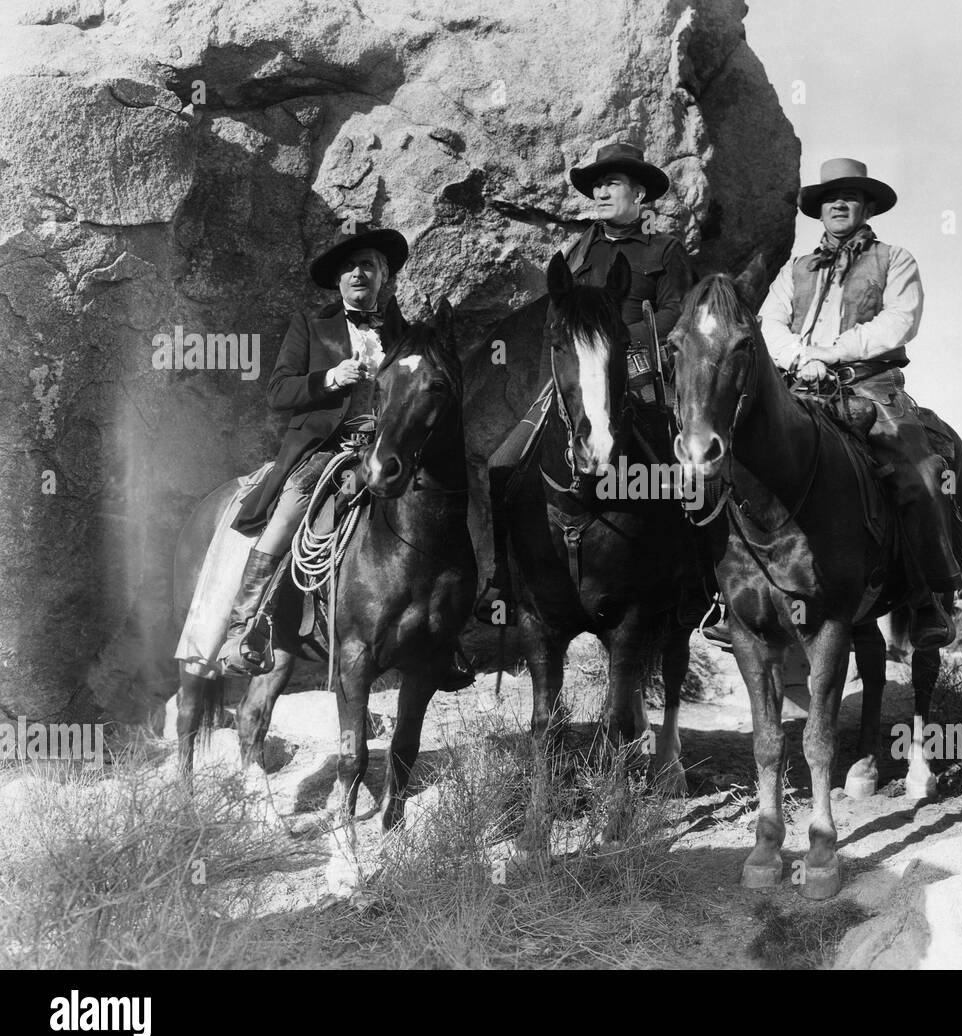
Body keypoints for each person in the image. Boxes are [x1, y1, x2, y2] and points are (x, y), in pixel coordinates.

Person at [220, 224, 473, 686]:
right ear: (338, 281)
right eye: (349, 268)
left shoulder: (410, 334)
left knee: (447, 510)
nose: (358, 274)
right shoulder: (310, 325)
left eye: (369, 265)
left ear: (385, 277)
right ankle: (246, 626)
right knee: (289, 514)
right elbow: (278, 392)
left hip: (394, 446)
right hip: (329, 450)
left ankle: (445, 635)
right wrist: (331, 378)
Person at [473, 142, 695, 623]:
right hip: (578, 377)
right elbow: (558, 311)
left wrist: (615, 339)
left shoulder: (666, 250)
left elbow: (680, 313)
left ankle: (697, 584)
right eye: (596, 184)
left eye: (611, 183)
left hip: (641, 373)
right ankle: (503, 581)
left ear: (639, 195)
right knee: (502, 463)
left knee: (685, 473)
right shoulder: (577, 251)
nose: (600, 191)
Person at [757, 157, 962, 649]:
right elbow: (769, 325)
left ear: (867, 206)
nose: (839, 204)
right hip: (798, 385)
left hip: (870, 386)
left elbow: (899, 322)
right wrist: (802, 358)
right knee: (736, 466)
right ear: (819, 209)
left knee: (922, 476)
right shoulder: (796, 269)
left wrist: (830, 353)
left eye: (849, 196)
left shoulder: (896, 259)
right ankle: (730, 598)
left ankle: (927, 599)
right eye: (830, 198)